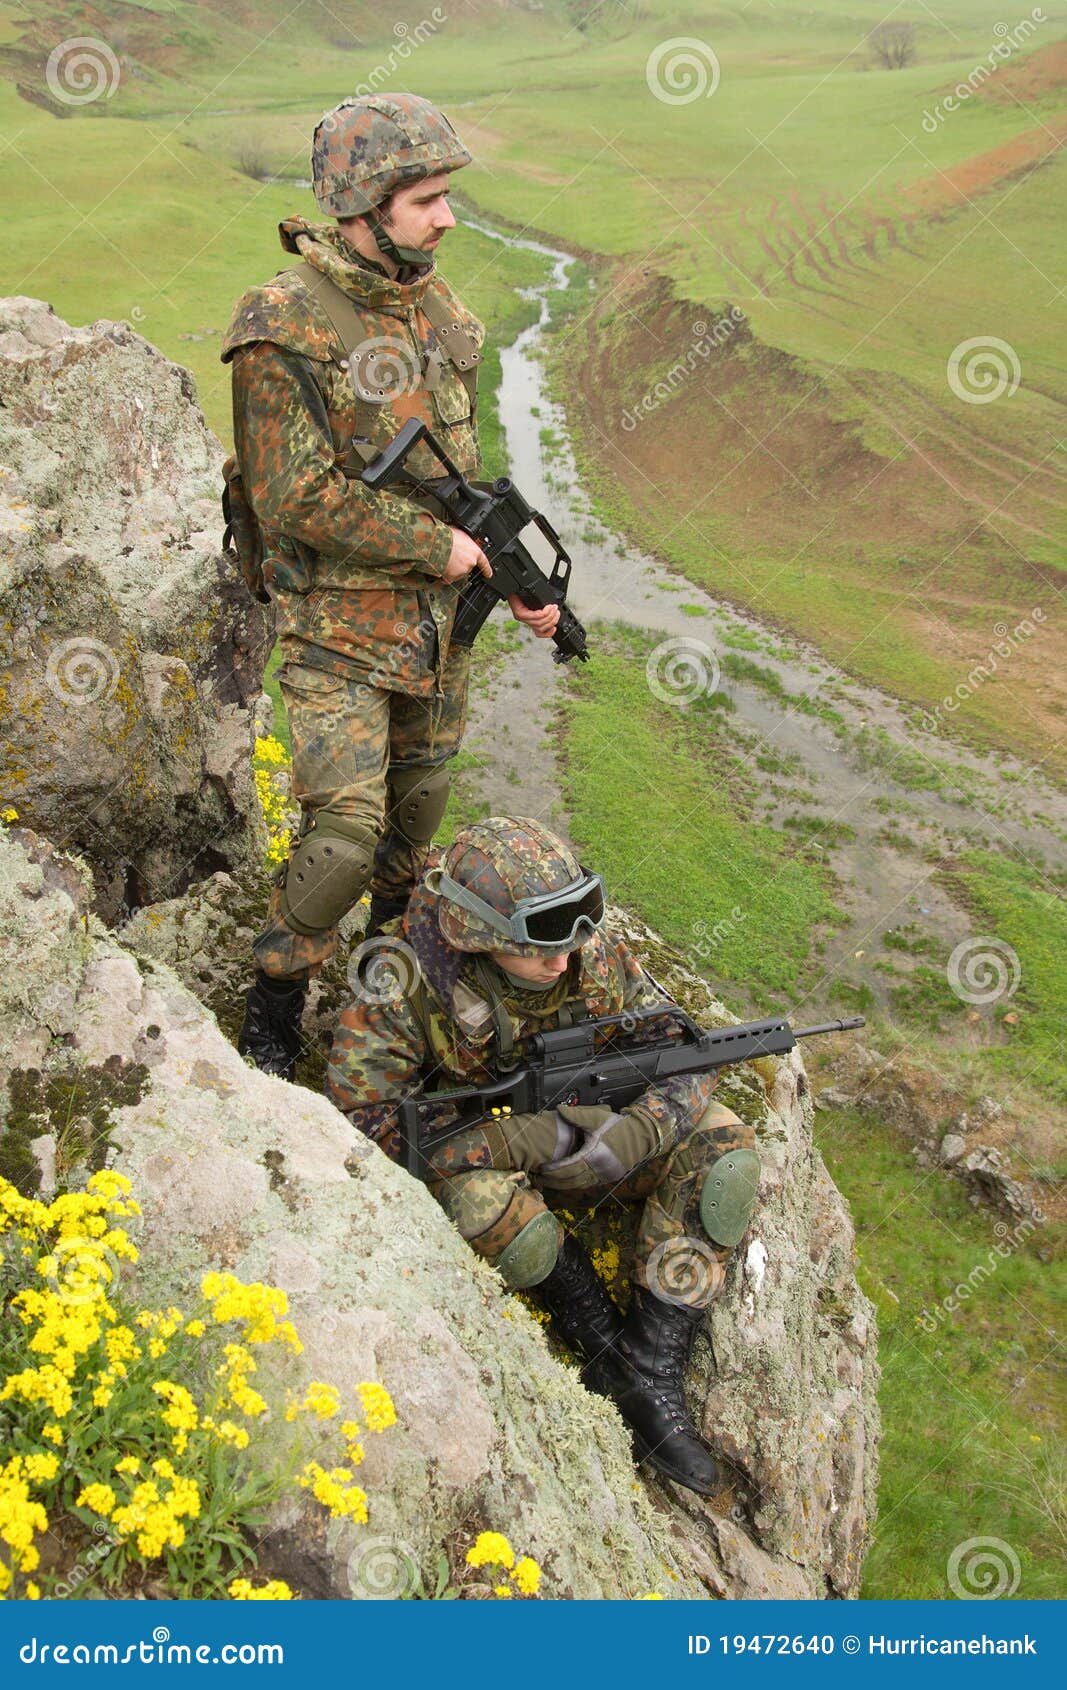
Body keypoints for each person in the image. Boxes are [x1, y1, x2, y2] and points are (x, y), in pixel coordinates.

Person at [221, 93, 558, 1079]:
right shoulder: (281, 323)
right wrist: (433, 545)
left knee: (414, 820)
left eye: (445, 196)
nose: (446, 217)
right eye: (425, 200)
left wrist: (512, 575)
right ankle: (274, 1004)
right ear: (362, 208)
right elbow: (290, 500)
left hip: (435, 628)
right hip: (336, 623)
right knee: (341, 837)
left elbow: (459, 476)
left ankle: (386, 983)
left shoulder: (435, 306)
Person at [325, 816, 760, 1497]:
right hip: (480, 1159)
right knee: (488, 1211)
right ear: (476, 939)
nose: (562, 961)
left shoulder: (586, 948)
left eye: (571, 936)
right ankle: (596, 1337)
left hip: (601, 1137)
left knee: (724, 1151)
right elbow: (366, 1125)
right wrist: (526, 1138)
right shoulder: (400, 982)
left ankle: (651, 1357)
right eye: (535, 950)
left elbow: (683, 1049)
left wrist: (641, 1128)